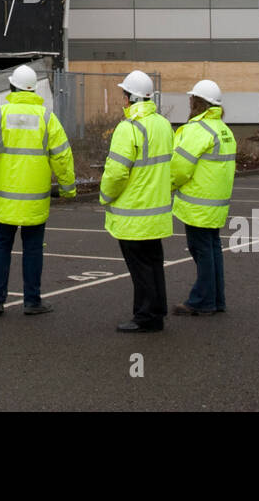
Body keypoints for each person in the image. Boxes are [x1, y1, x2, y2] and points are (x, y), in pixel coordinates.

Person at [0, 64, 76, 316]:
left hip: (4, 200)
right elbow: (62, 157)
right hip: (36, 201)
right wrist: (67, 188)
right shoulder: (47, 118)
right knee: (32, 251)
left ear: (12, 87)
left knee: (1, 249)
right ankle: (32, 301)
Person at [99, 69, 175, 333]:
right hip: (156, 213)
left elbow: (117, 172)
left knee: (140, 268)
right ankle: (156, 312)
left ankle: (145, 317)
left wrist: (104, 195)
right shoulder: (163, 125)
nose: (122, 101)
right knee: (154, 264)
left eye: (124, 95)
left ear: (130, 98)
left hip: (133, 214)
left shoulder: (127, 128)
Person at [169, 79, 236, 316]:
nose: (189, 101)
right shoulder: (223, 130)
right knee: (213, 249)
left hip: (197, 205)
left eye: (191, 99)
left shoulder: (198, 130)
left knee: (202, 251)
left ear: (198, 103)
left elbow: (179, 168)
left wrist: (166, 186)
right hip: (216, 205)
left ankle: (202, 300)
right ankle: (217, 299)